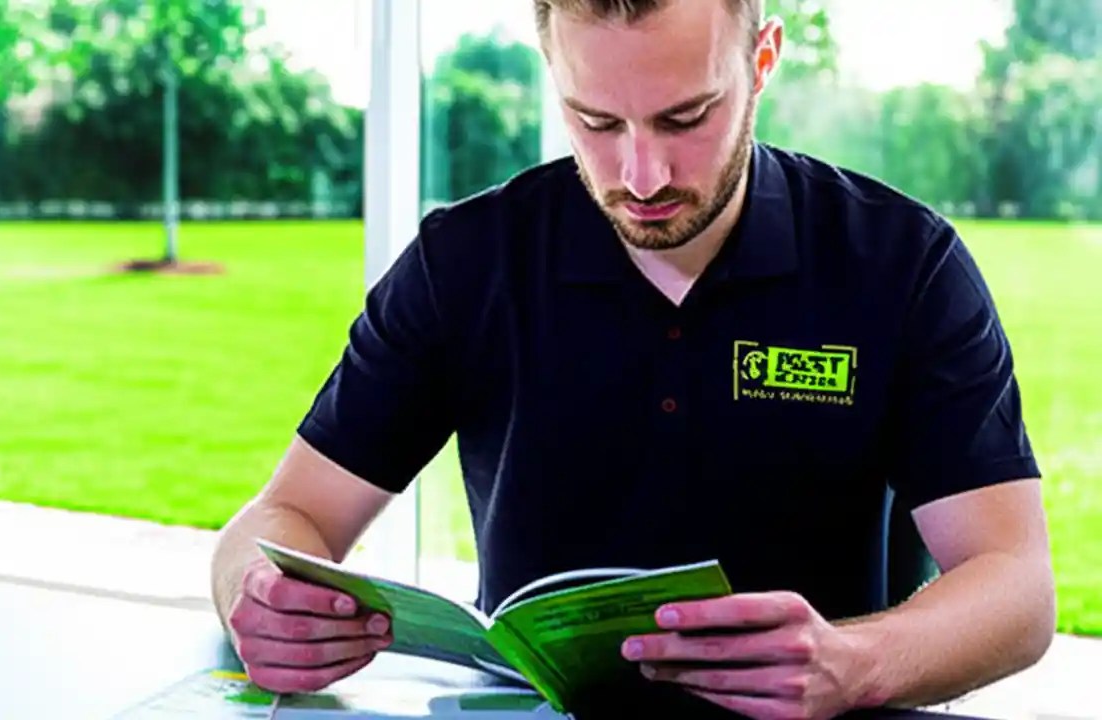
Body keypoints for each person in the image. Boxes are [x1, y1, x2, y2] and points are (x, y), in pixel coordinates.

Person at [211, 0, 1057, 717]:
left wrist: (854, 662)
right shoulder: (466, 263)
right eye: (597, 122)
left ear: (762, 61)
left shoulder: (901, 265)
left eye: (686, 118)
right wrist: (258, 597)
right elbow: (286, 515)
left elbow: (1015, 586)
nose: (642, 175)